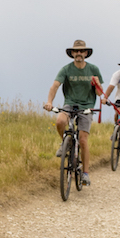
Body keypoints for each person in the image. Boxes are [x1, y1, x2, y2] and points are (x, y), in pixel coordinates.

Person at [44, 39, 103, 186]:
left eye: (81, 51)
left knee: (83, 140)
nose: (79, 53)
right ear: (72, 53)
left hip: (87, 106)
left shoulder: (93, 69)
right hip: (70, 103)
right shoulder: (66, 69)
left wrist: (96, 83)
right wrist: (49, 102)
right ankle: (65, 142)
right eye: (76, 51)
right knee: (60, 121)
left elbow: (99, 93)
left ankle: (85, 173)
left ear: (86, 53)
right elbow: (55, 86)